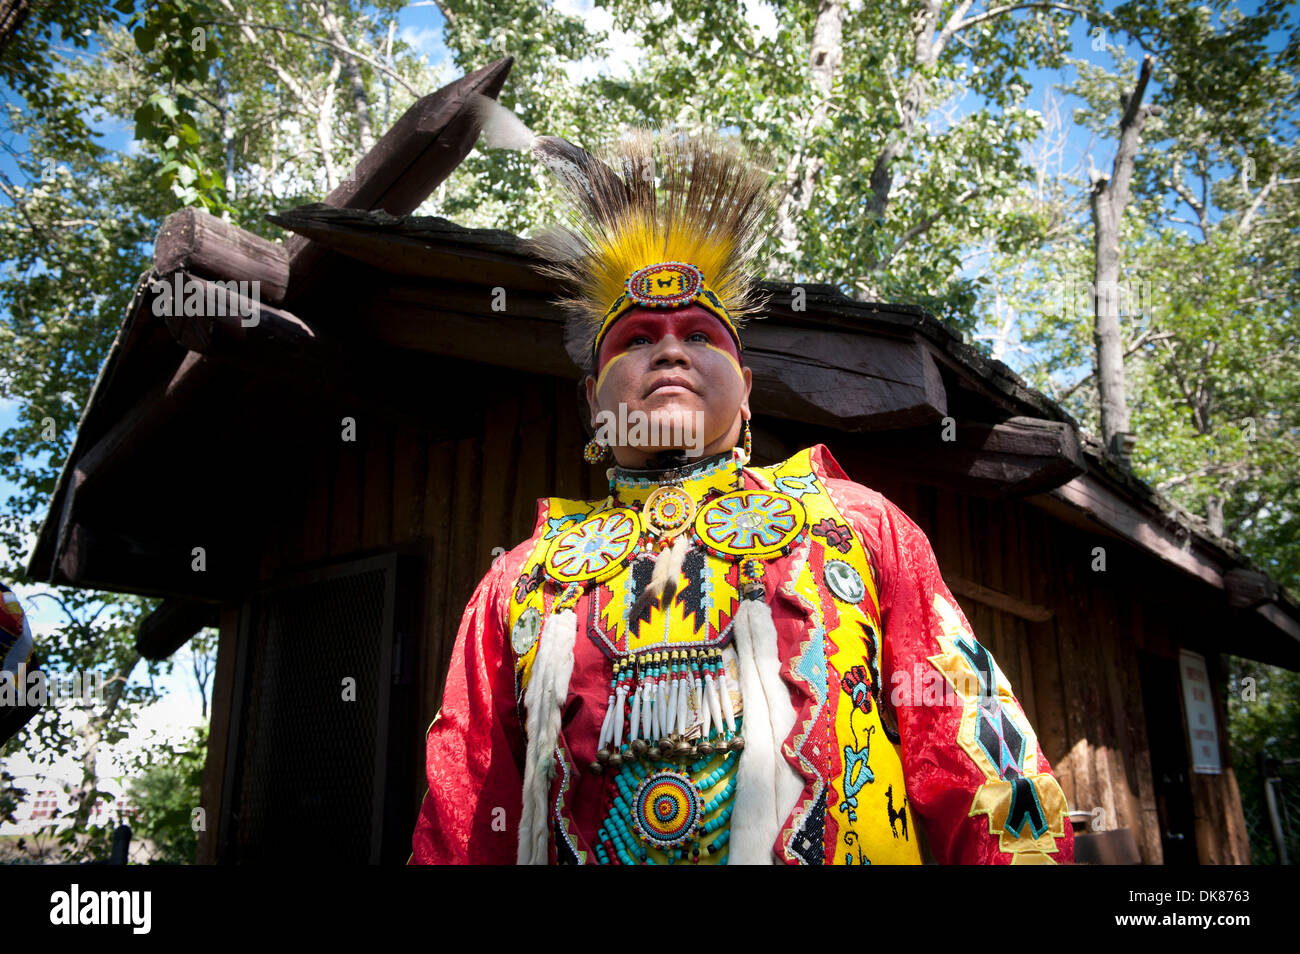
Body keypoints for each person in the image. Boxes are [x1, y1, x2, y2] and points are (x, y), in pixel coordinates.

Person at [408, 124, 1073, 865]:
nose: (668, 347)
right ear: (595, 402)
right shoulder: (519, 580)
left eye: (699, 336)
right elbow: (457, 820)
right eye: (635, 339)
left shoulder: (855, 525)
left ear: (748, 394)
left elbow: (982, 763)